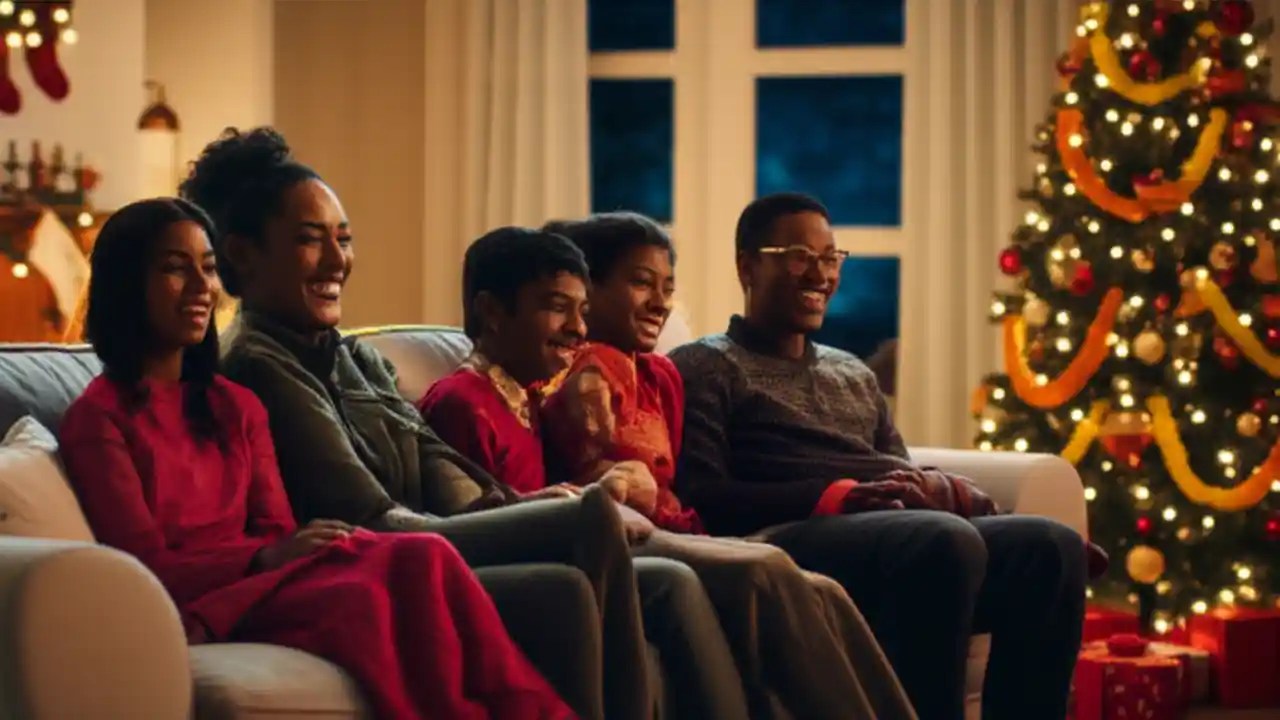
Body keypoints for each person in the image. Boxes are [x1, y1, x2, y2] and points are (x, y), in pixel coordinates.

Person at [181, 127, 707, 720]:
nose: (337, 260)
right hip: (385, 554)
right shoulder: (257, 362)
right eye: (311, 241)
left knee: (648, 575)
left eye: (345, 239)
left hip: (434, 538)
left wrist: (523, 507)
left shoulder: (355, 357)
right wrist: (546, 515)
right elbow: (368, 515)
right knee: (589, 517)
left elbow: (436, 463)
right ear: (242, 254)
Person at [57, 198, 572, 720]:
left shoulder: (233, 405)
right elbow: (142, 564)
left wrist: (285, 549)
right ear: (126, 283)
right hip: (208, 597)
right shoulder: (98, 419)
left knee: (426, 553)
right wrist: (262, 558)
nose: (201, 288)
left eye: (208, 269)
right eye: (174, 268)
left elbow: (276, 525)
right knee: (363, 601)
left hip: (273, 573)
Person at [420, 224, 915, 720]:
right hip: (580, 551)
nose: (576, 328)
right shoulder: (462, 401)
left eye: (582, 311)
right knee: (762, 568)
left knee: (823, 590)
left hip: (606, 534)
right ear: (491, 312)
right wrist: (592, 497)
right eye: (556, 307)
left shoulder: (531, 395)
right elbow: (482, 523)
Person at [667, 192, 1088, 720]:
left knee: (1050, 545)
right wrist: (836, 497)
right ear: (747, 265)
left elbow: (900, 473)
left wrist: (941, 491)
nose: (819, 274)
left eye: (830, 258)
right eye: (799, 255)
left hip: (893, 538)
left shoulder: (852, 372)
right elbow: (703, 496)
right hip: (787, 534)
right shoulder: (703, 365)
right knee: (941, 538)